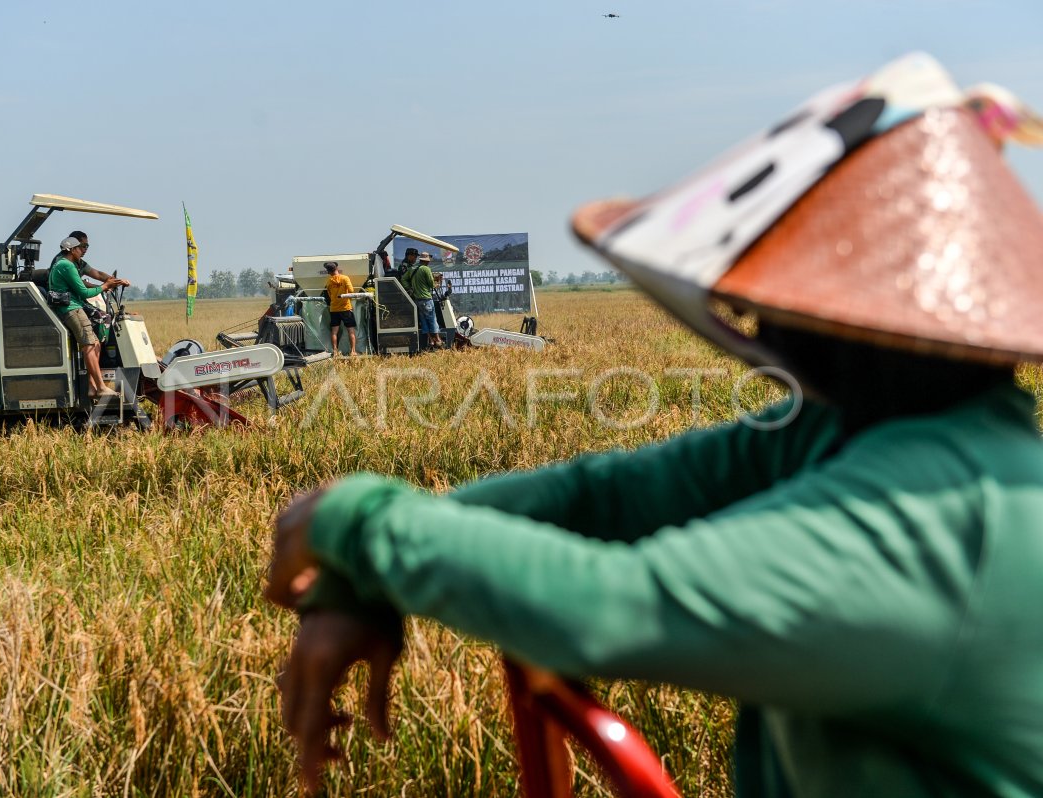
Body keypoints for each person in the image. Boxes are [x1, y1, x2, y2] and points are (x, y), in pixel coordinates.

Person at [265, 54, 1043, 795]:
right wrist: (356, 586)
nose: (757, 319)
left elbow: (616, 607)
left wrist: (353, 520)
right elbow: (602, 498)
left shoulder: (949, 515)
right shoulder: (847, 430)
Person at [49, 236, 125, 398]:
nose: (83, 251)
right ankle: (101, 387)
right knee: (89, 345)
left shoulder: (63, 264)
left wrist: (113, 282)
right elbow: (84, 292)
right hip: (72, 309)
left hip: (73, 308)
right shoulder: (67, 266)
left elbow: (92, 278)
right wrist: (105, 286)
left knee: (95, 342)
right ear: (72, 250)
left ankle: (92, 386)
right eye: (80, 247)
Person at [49, 230, 132, 289]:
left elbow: (98, 274)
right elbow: (78, 282)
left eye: (87, 246)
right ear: (74, 246)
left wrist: (118, 281)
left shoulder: (78, 262)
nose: (85, 249)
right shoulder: (62, 262)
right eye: (84, 246)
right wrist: (102, 287)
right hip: (62, 299)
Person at [399, 250, 444, 348]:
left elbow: (403, 279)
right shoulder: (426, 269)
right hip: (426, 298)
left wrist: (409, 288)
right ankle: (437, 339)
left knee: (423, 320)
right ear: (426, 261)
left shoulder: (412, 268)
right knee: (432, 319)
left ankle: (430, 340)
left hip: (417, 299)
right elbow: (431, 284)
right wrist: (437, 282)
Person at [323, 261, 358, 357]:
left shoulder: (329, 281)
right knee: (351, 330)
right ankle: (353, 351)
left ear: (328, 272)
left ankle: (335, 351)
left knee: (334, 331)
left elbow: (329, 295)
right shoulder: (345, 278)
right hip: (346, 307)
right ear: (337, 268)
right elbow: (351, 291)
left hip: (334, 309)